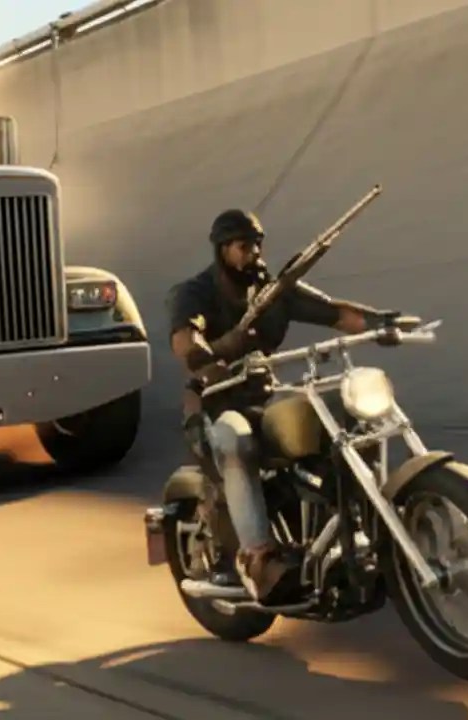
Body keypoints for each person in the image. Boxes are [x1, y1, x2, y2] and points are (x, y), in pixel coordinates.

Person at [165, 207, 402, 605]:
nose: (254, 254)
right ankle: (258, 557)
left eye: (257, 245)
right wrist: (212, 351)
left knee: (335, 426)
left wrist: (384, 322)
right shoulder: (194, 292)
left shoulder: (273, 291)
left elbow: (335, 313)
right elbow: (186, 342)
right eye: (244, 246)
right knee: (233, 439)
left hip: (264, 396)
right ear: (223, 249)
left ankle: (355, 527)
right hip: (214, 402)